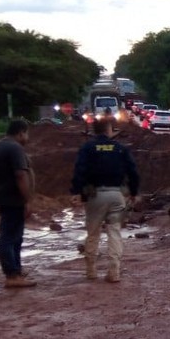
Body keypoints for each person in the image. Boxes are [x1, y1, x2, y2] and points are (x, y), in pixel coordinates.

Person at [70, 117, 141, 282]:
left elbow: (79, 170)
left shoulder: (87, 148)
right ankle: (114, 272)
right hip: (116, 196)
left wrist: (76, 192)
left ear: (94, 130)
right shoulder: (120, 149)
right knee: (114, 232)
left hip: (95, 197)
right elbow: (133, 172)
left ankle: (91, 271)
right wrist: (134, 192)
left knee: (93, 233)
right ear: (109, 130)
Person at [0, 119, 36, 288]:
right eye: (27, 133)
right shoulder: (15, 148)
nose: (27, 137)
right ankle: (12, 275)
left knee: (15, 236)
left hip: (1, 196)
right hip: (13, 198)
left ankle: (16, 270)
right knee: (9, 237)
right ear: (21, 132)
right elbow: (20, 175)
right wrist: (27, 199)